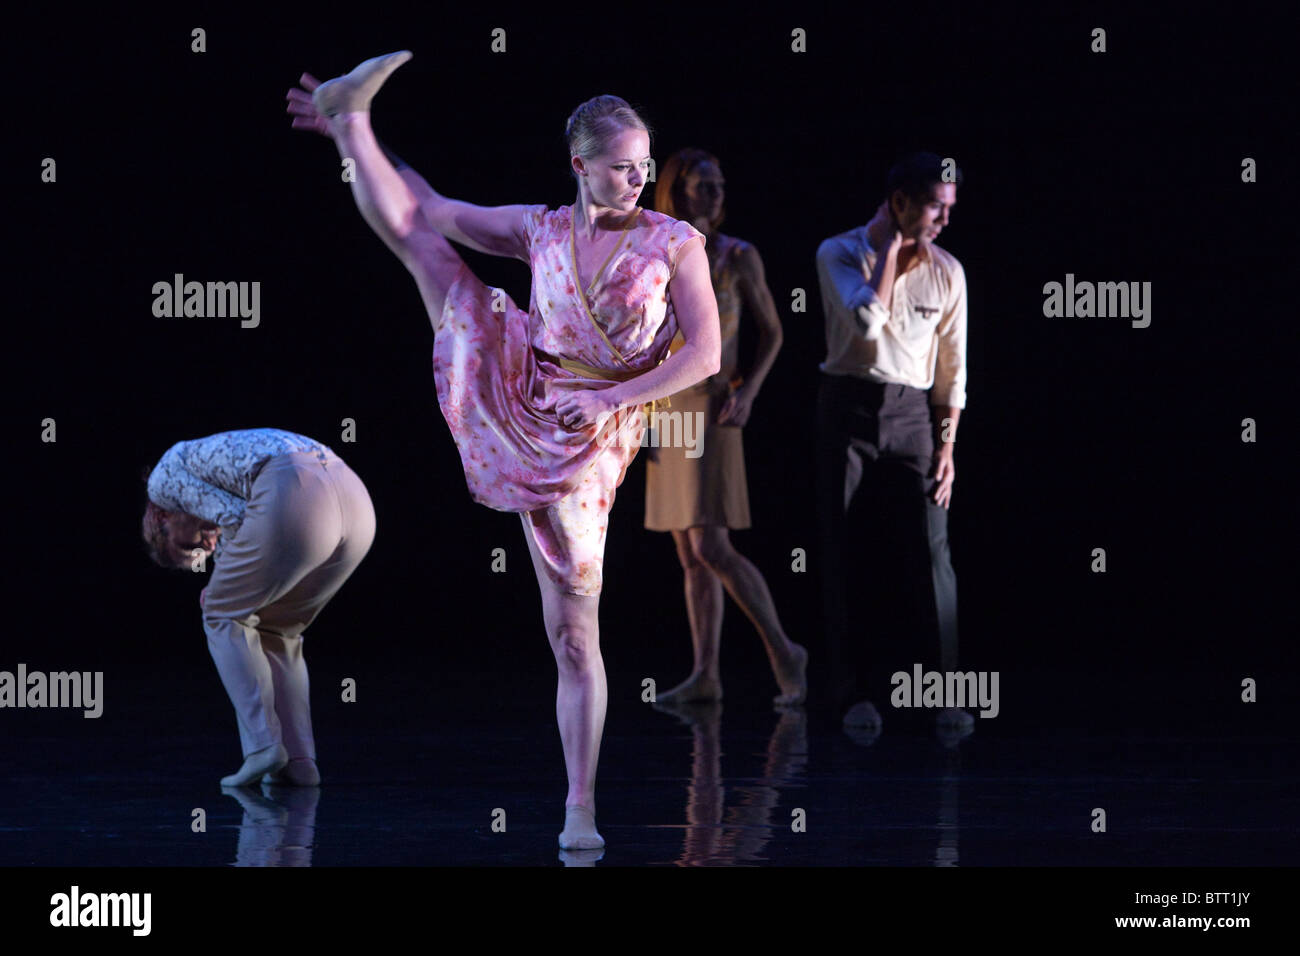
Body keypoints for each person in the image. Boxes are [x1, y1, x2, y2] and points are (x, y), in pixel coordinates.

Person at [286, 52, 720, 848]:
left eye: (644, 166)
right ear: (580, 166)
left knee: (573, 634)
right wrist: (362, 147)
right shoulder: (541, 228)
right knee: (422, 244)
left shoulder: (673, 242)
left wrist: (612, 396)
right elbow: (433, 208)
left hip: (594, 433)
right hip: (521, 385)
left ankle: (579, 804)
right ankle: (354, 119)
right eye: (621, 168)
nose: (637, 180)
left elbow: (704, 355)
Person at [814, 151, 973, 735]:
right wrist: (890, 253)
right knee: (843, 550)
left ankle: (945, 691)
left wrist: (947, 447)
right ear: (900, 202)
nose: (944, 219)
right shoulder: (838, 252)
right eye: (935, 206)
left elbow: (952, 370)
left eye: (949, 207)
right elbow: (866, 324)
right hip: (847, 406)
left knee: (934, 553)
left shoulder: (949, 271)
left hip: (913, 416)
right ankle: (850, 692)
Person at [643, 148, 806, 706]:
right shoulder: (657, 251)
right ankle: (706, 674)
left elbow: (774, 332)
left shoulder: (737, 255)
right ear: (677, 190)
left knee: (712, 543)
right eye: (702, 184)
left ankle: (784, 649)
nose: (714, 193)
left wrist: (751, 392)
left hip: (712, 406)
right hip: (667, 408)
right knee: (689, 554)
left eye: (719, 184)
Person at [142, 428, 376, 787]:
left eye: (189, 549)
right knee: (277, 630)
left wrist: (220, 585)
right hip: (355, 501)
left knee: (220, 614)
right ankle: (299, 762)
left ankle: (263, 747)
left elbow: (234, 515)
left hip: (296, 494)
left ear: (162, 520)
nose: (205, 545)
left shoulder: (161, 483)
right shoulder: (196, 463)